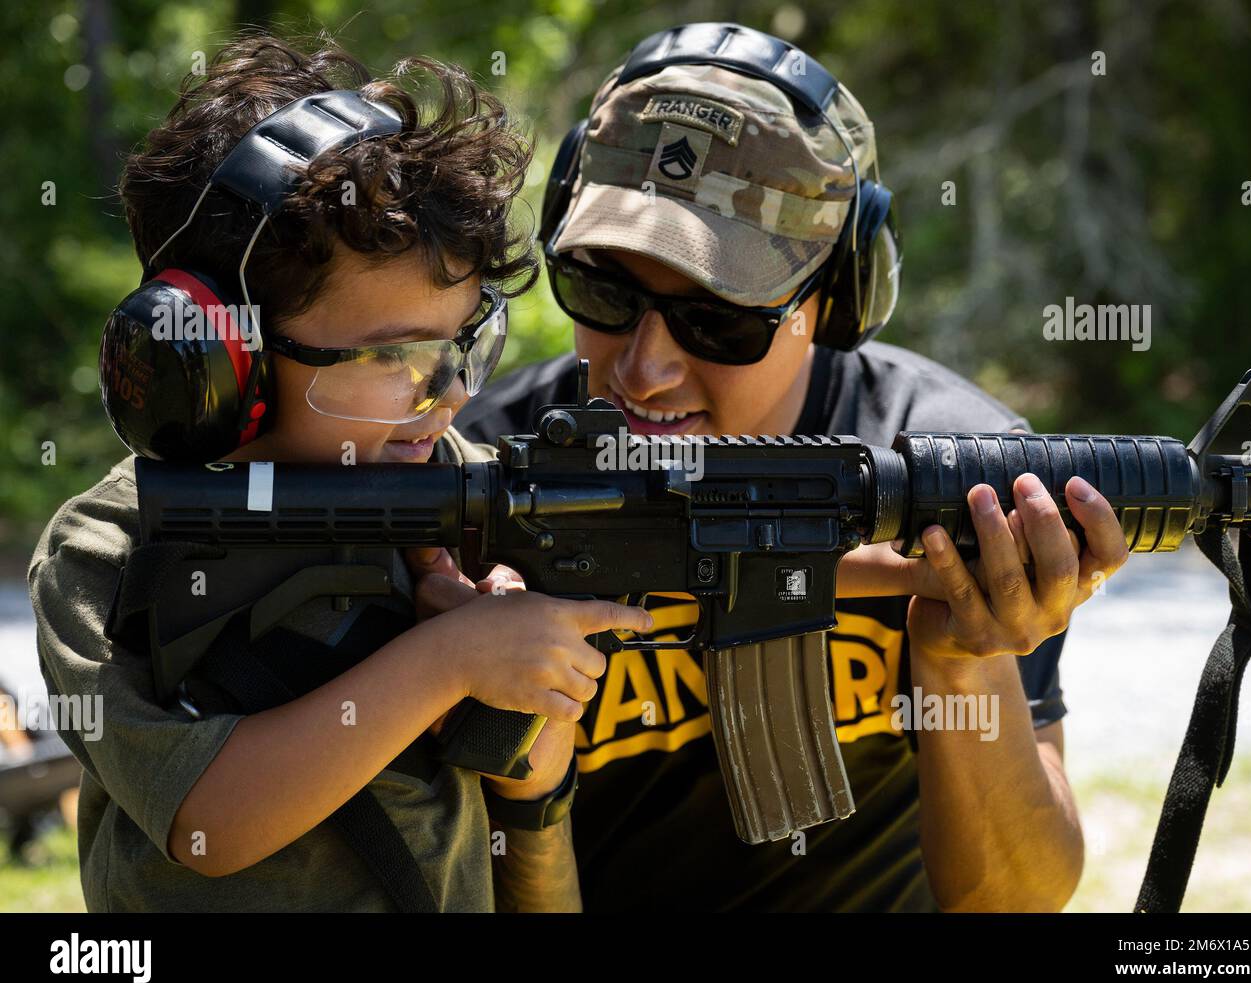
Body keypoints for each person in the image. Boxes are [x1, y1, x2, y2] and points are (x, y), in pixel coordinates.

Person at [455, 23, 1131, 911]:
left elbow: (1013, 900)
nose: (643, 368)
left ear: (834, 298)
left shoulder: (947, 467)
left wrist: (962, 660)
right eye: (605, 291)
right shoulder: (477, 473)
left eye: (719, 319)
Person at [27, 32, 651, 913]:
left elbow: (526, 806)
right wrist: (446, 659)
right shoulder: (111, 550)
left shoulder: (458, 491)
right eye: (394, 356)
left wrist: (526, 695)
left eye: (466, 343)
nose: (449, 392)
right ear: (221, 353)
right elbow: (210, 823)